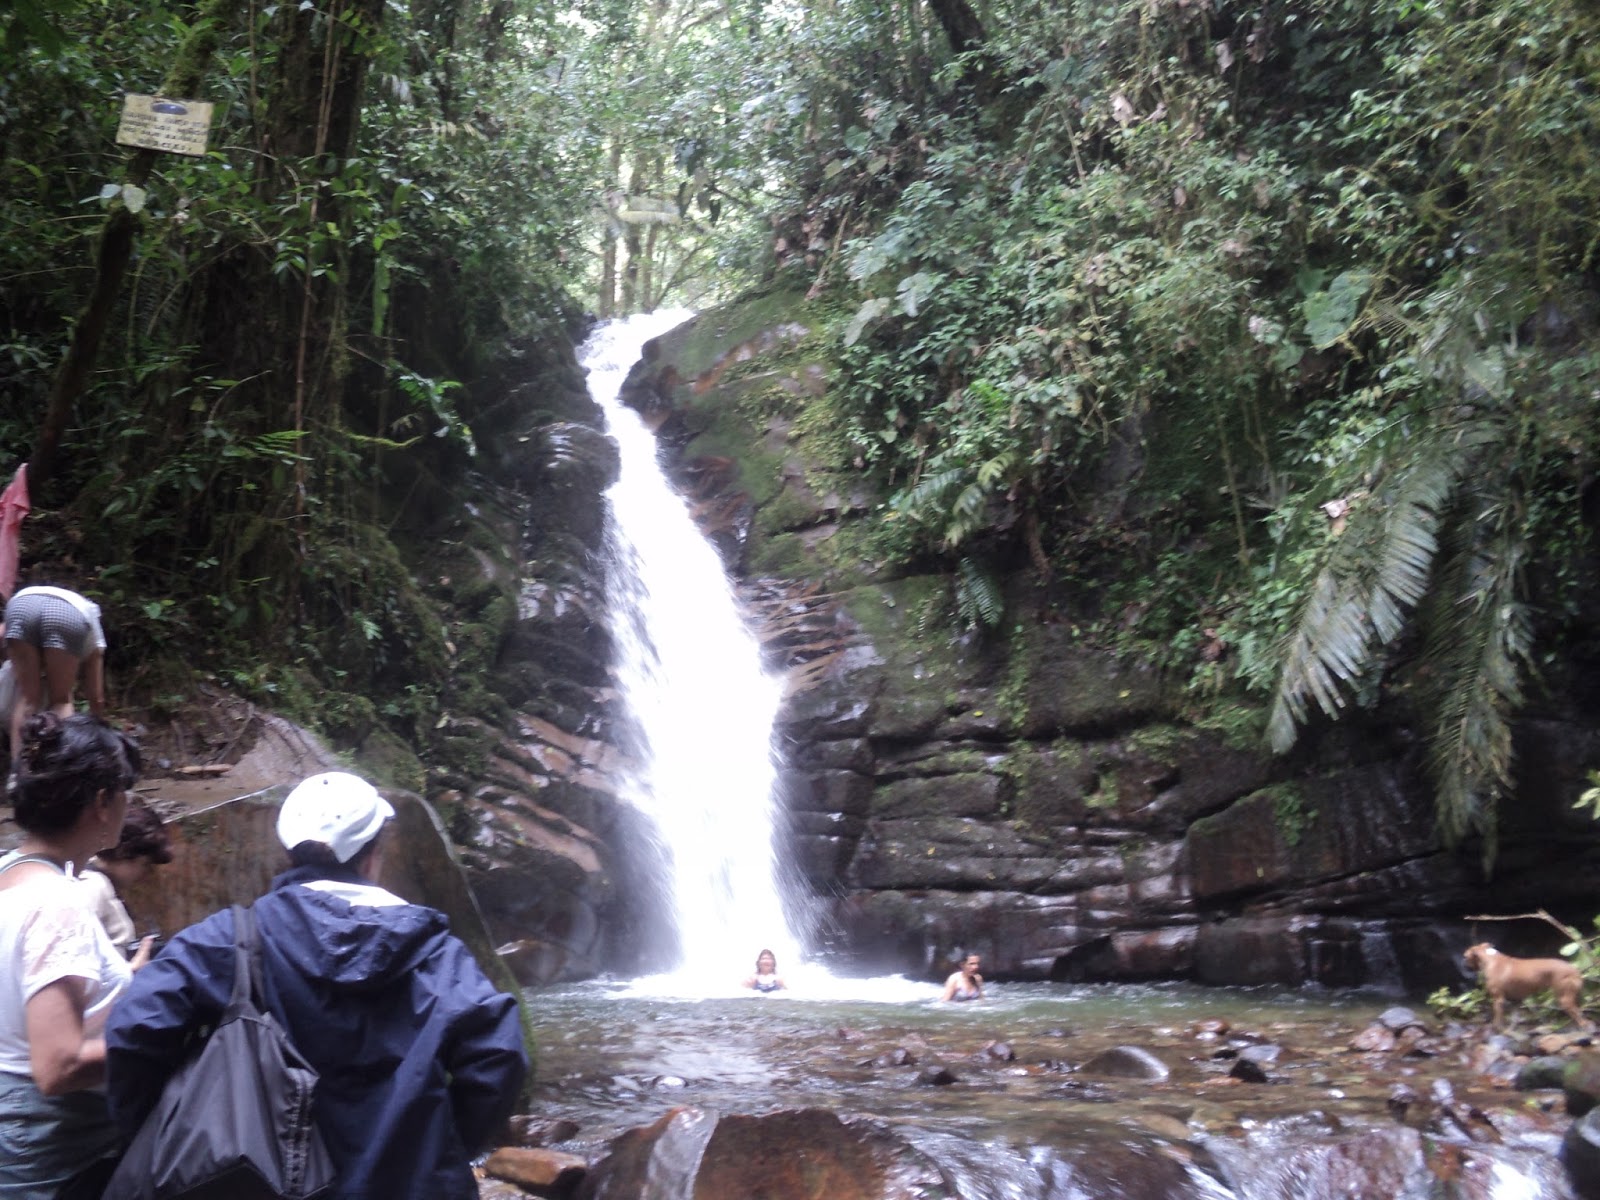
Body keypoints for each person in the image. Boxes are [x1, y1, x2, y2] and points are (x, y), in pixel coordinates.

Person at [105, 770, 529, 1200]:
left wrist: (152, 1129)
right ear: (373, 854)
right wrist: (444, 1145)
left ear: (290, 852)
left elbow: (134, 1029)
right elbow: (500, 1054)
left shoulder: (228, 939)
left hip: (259, 1182)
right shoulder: (436, 953)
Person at [0, 712, 142, 1198]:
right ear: (102, 803)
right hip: (52, 1149)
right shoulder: (59, 903)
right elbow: (57, 1065)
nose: (130, 802)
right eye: (126, 790)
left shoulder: (9, 871)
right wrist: (166, 1038)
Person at [2, 585, 108, 770]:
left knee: (27, 700)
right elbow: (97, 698)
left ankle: (18, 776)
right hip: (66, 614)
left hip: (21, 603)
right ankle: (61, 770)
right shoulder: (95, 640)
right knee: (61, 701)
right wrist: (98, 737)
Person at [78, 801, 172, 966]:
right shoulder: (92, 888)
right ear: (124, 853)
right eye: (144, 865)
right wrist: (132, 971)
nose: (146, 874)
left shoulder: (92, 875)